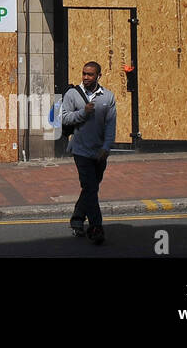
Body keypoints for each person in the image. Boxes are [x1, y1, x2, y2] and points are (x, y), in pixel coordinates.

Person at [60, 61, 117, 245]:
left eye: (90, 74)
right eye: (84, 73)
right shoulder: (72, 94)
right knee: (91, 187)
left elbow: (110, 125)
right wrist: (83, 113)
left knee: (91, 188)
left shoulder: (108, 97)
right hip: (80, 150)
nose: (85, 77)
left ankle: (77, 219)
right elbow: (65, 118)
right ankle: (96, 227)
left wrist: (106, 148)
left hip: (99, 151)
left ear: (98, 76)